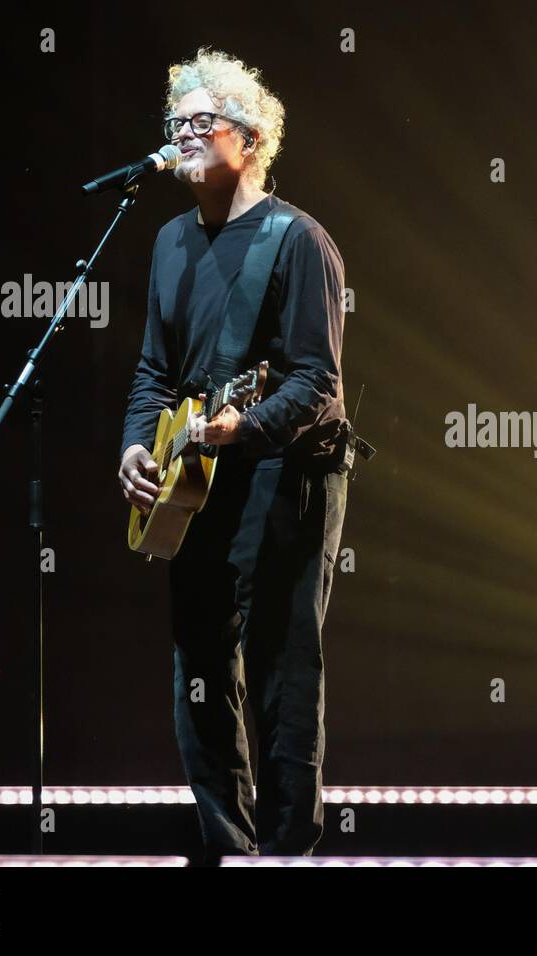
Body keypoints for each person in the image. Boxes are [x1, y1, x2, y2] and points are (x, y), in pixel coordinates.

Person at [117, 47, 348, 860]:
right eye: (174, 122)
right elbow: (154, 371)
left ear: (249, 139)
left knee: (284, 671)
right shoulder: (171, 243)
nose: (182, 133)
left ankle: (288, 850)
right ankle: (227, 846)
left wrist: (239, 430)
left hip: (287, 476)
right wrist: (136, 451)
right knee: (198, 667)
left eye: (200, 122)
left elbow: (316, 382)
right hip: (196, 480)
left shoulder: (297, 242)